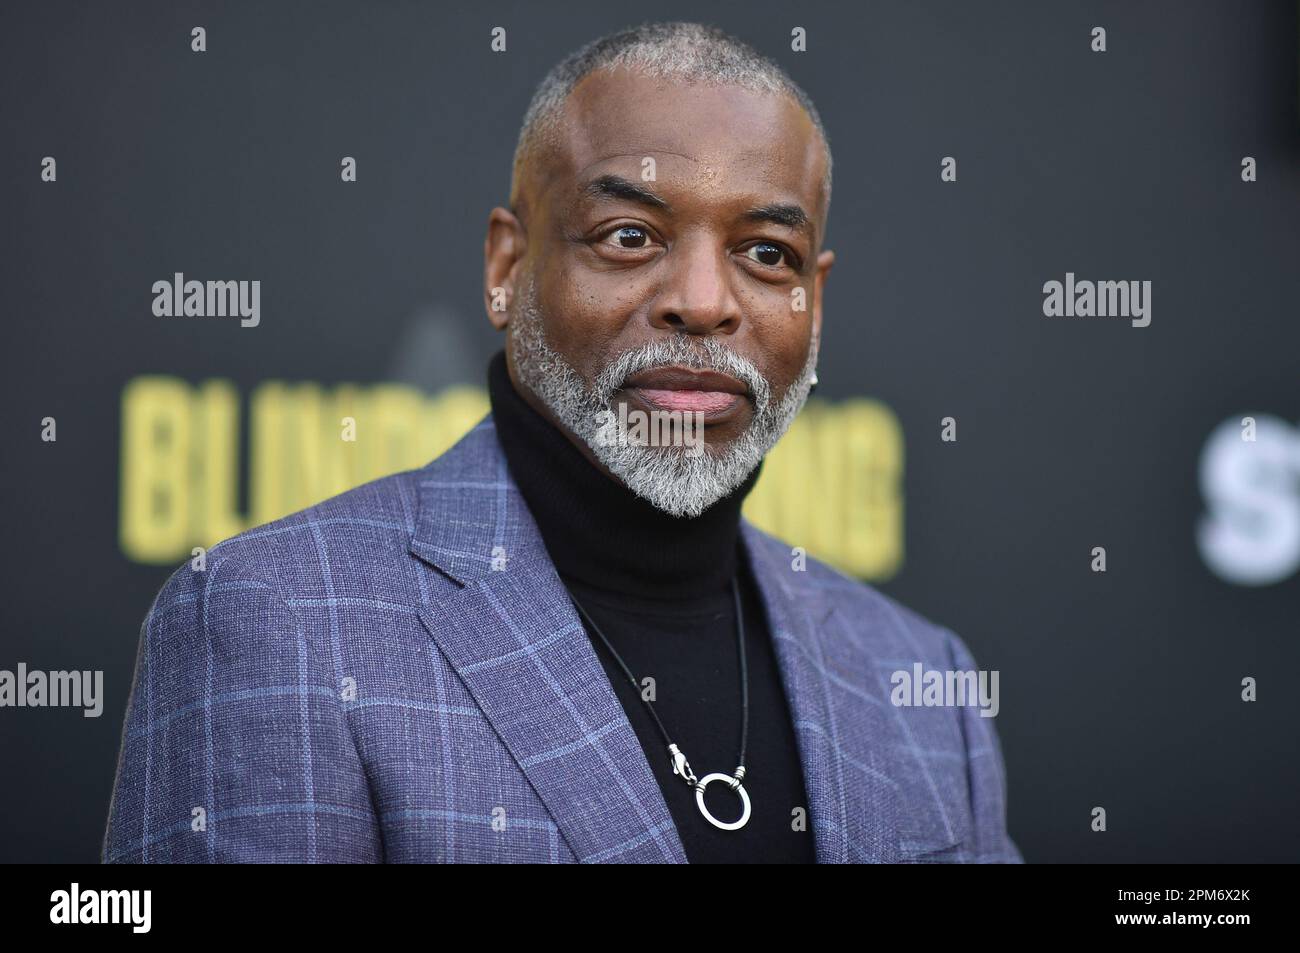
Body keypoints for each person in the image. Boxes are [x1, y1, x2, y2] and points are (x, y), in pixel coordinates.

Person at [103, 21, 1020, 864]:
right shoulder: (276, 622)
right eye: (630, 234)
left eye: (766, 252)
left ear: (814, 300)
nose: (703, 301)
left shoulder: (919, 679)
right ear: (508, 267)